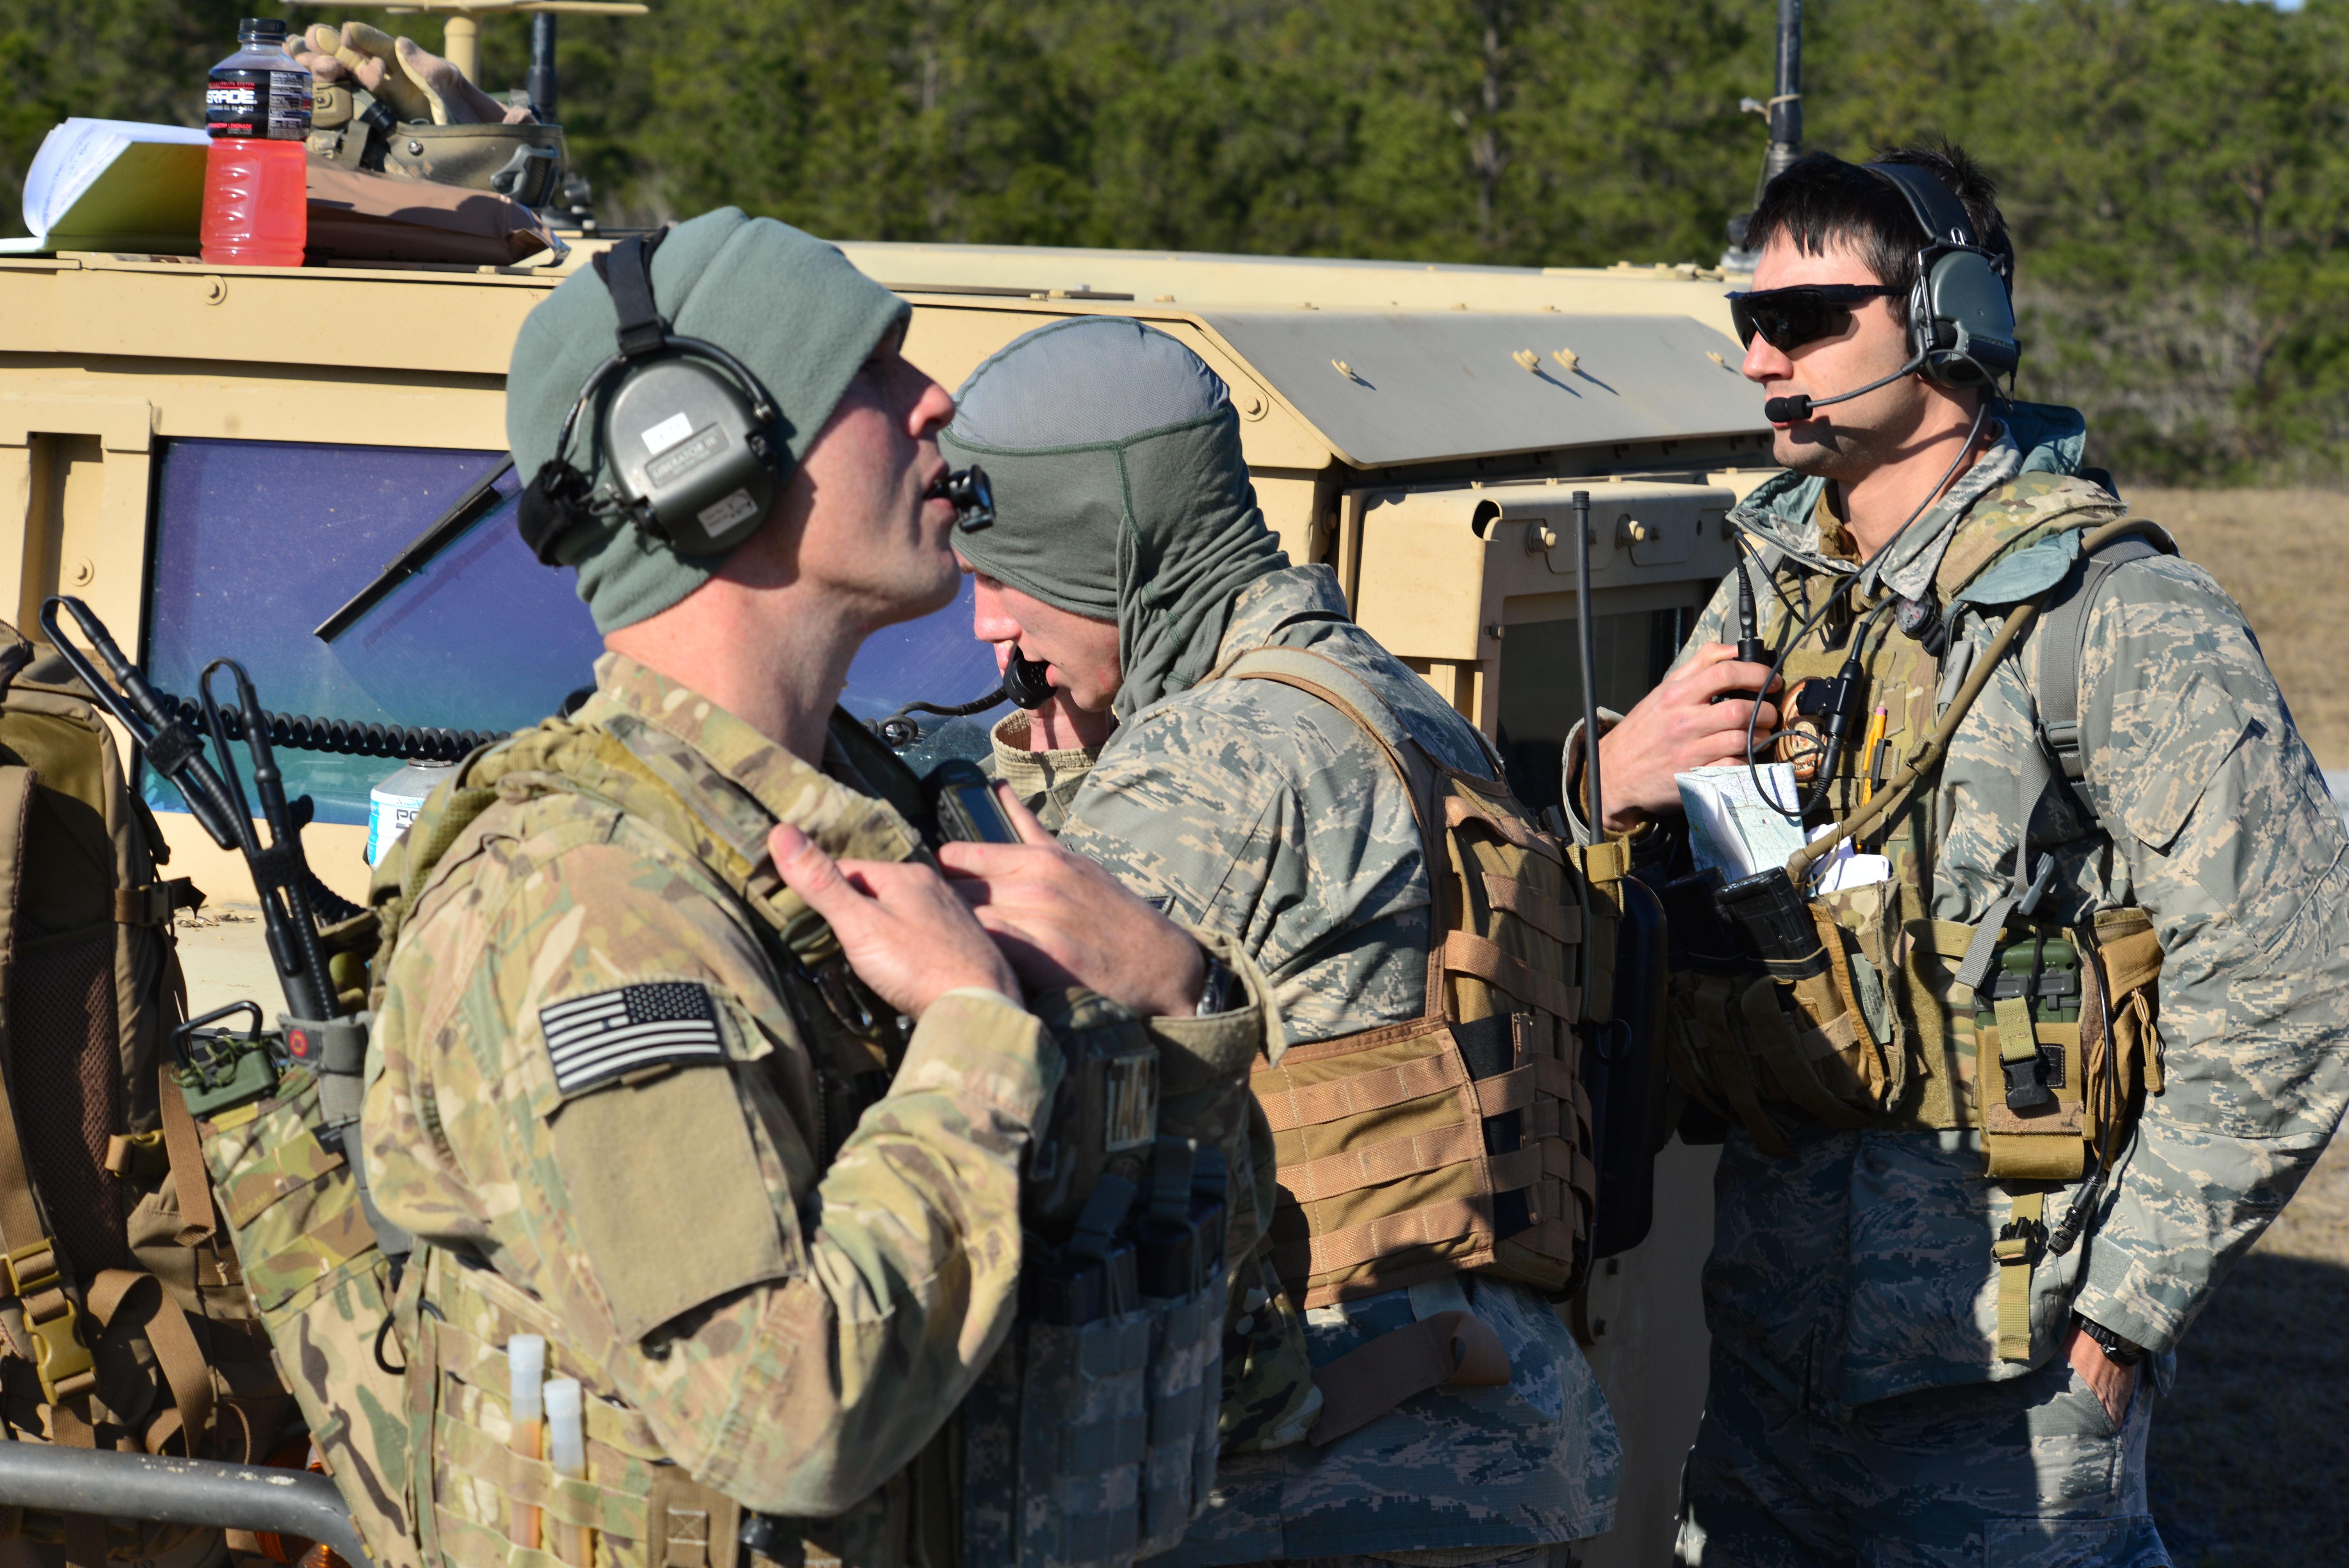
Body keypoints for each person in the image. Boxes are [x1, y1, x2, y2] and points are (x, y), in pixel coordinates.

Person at [360, 208, 1271, 1567]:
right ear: (702, 454)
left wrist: (1175, 1005)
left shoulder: (891, 819)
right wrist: (971, 1035)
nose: (938, 402)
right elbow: (784, 1418)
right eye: (872, 375)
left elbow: (1216, 1289)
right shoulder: (593, 910)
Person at [1583, 144, 2349, 1565]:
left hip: (2009, 1394)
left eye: (1809, 320)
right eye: (1748, 321)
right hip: (1765, 1365)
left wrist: (2128, 1312)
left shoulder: (2117, 612)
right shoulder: (1773, 592)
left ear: (1952, 318)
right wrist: (1608, 786)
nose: (1762, 357)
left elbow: (2295, 979)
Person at [939, 316, 1621, 1568]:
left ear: (1117, 546)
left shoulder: (1219, 756)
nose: (987, 630)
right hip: (1472, 1427)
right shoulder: (1385, 698)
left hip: (1326, 1461)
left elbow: (1019, 1090)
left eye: (1009, 575)